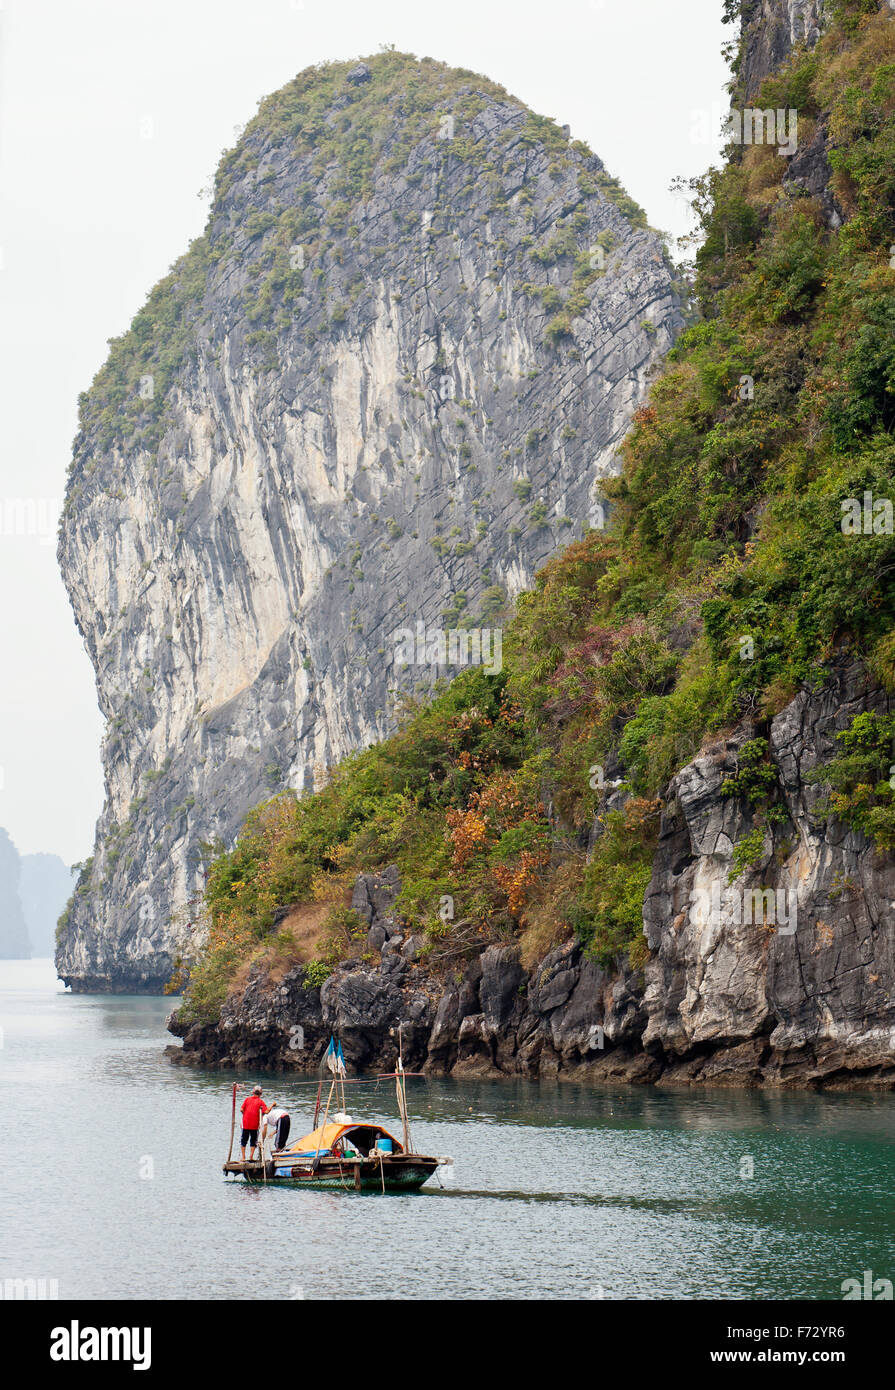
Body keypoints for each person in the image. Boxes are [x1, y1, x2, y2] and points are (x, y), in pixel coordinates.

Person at [239, 1085, 269, 1162]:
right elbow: (266, 1111)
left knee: (244, 1140)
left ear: (253, 1092)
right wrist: (272, 1105)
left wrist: (246, 1116)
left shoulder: (247, 1099)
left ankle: (243, 1157)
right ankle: (251, 1156)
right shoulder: (260, 1102)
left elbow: (241, 1109)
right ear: (260, 1094)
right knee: (253, 1141)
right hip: (254, 1125)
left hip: (245, 1124)